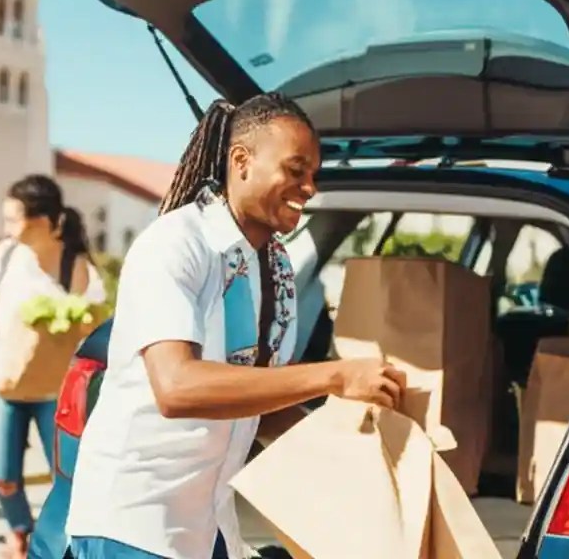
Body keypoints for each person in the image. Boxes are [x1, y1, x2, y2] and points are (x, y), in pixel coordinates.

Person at [64, 93, 407, 559]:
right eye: (295, 170)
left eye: (313, 176)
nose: (309, 188)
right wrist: (336, 376)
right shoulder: (175, 244)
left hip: (208, 526)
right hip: (133, 523)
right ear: (241, 161)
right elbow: (177, 387)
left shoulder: (277, 268)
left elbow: (261, 402)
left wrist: (359, 459)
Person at [0, 174, 105, 557]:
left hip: (53, 389)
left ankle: (51, 542)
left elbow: (94, 324)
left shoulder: (75, 263)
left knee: (66, 475)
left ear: (42, 220)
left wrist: (66, 317)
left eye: (13, 219)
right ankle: (19, 527)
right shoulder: (6, 254)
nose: (6, 228)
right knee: (3, 476)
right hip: (4, 381)